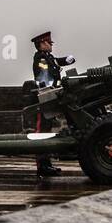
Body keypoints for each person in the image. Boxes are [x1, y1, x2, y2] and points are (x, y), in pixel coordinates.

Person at [27, 30, 76, 177]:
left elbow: (56, 62)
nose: (51, 45)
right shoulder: (41, 59)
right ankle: (42, 166)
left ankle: (46, 164)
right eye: (49, 43)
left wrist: (67, 60)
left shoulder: (48, 57)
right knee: (41, 132)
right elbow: (45, 77)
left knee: (46, 132)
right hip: (45, 99)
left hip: (51, 97)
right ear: (42, 44)